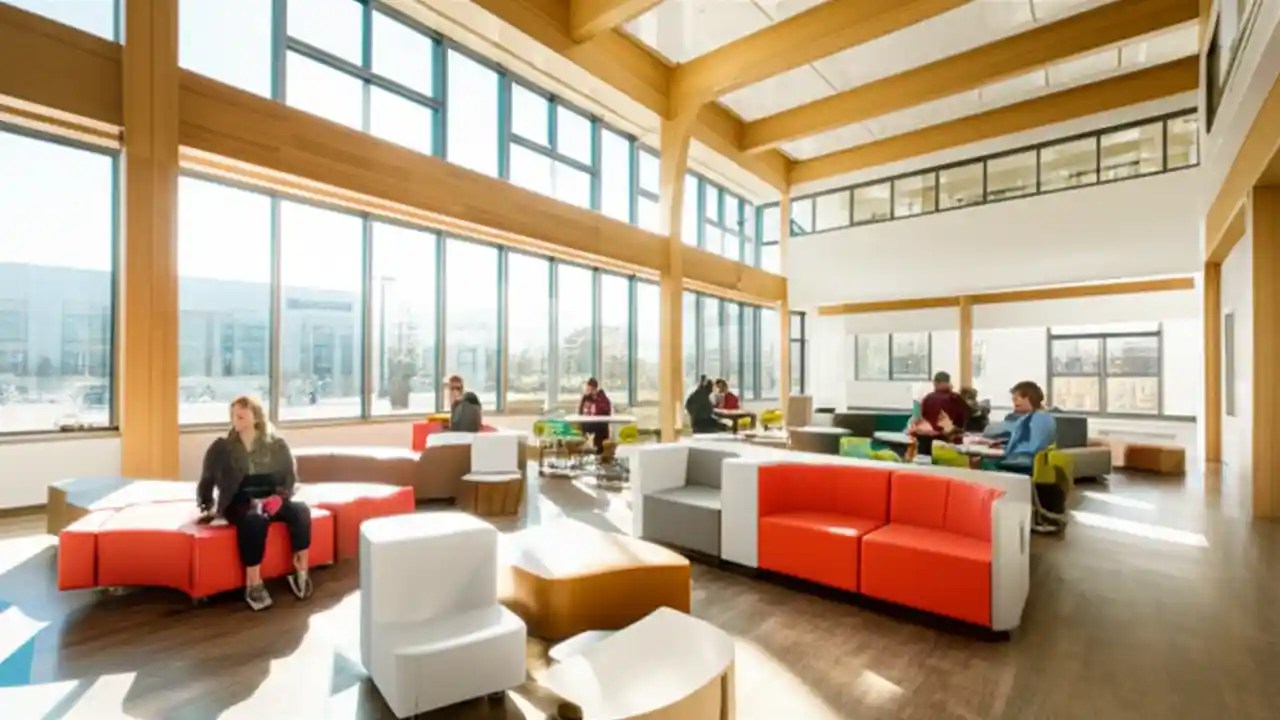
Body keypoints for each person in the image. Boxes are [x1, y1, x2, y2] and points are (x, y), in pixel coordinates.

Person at [198, 396, 312, 611]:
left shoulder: (277, 446)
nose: (235, 416)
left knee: (300, 511)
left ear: (256, 416)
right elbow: (207, 480)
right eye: (233, 413)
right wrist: (207, 507)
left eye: (241, 412)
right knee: (254, 520)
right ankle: (253, 583)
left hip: (272, 498)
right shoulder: (221, 448)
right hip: (239, 501)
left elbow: (289, 478)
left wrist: (280, 497)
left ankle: (301, 570)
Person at [918, 371, 970, 441]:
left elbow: (921, 417)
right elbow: (963, 417)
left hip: (927, 438)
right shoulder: (955, 398)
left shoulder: (927, 398)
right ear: (948, 383)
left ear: (936, 383)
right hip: (948, 438)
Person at [578, 377, 613, 452]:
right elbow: (580, 411)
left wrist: (596, 399)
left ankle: (599, 450)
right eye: (587, 388)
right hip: (588, 424)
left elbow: (606, 411)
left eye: (590, 389)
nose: (588, 391)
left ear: (594, 388)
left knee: (600, 431)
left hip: (599, 425)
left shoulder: (602, 398)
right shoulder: (586, 398)